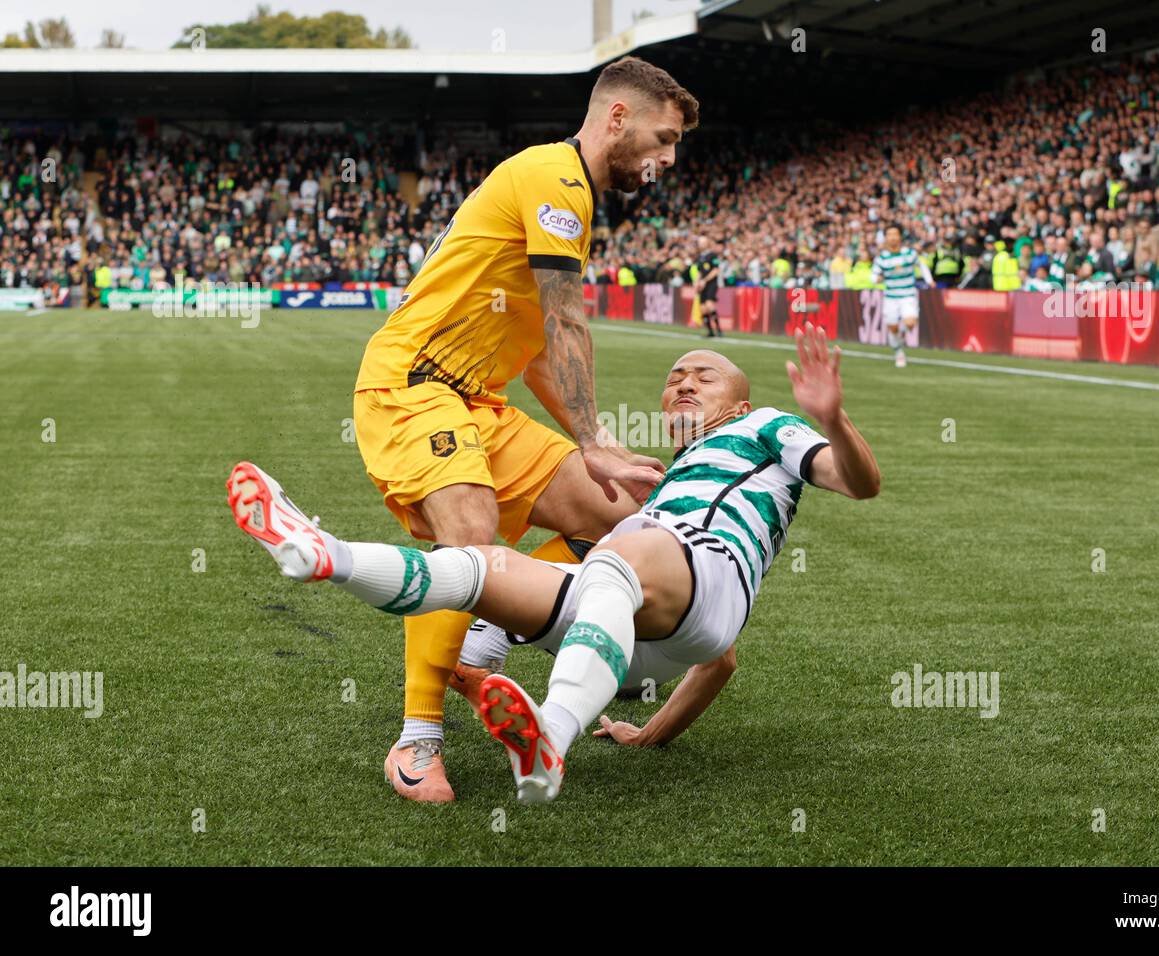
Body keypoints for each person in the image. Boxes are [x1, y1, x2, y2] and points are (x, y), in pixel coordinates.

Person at [227, 325, 881, 803]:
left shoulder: (764, 424)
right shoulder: (677, 475)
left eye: (702, 377)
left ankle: (551, 734)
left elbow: (858, 484)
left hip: (698, 575)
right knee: (477, 569)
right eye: (675, 376)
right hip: (647, 634)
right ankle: (322, 554)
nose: (683, 382)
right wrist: (650, 735)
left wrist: (832, 419)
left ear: (736, 403)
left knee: (628, 535)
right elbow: (720, 660)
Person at [329, 56, 696, 803]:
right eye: (663, 138)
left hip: (480, 403)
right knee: (468, 537)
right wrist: (592, 439)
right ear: (617, 118)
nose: (668, 159)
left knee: (625, 520)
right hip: (414, 384)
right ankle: (416, 739)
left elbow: (534, 361)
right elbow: (566, 319)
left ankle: (482, 648)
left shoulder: (574, 202)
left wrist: (600, 454)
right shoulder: (555, 179)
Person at [872, 224, 933, 368]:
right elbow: (873, 276)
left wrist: (929, 280)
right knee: (892, 327)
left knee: (911, 323)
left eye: (895, 234)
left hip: (908, 295)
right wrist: (877, 279)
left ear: (900, 237)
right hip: (891, 297)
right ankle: (899, 351)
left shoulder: (909, 254)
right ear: (886, 238)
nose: (892, 237)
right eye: (889, 235)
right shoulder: (882, 258)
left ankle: (899, 338)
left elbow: (922, 266)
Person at [695, 238, 722, 337]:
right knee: (703, 308)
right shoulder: (700, 257)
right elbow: (699, 272)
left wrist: (704, 281)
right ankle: (710, 331)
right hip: (702, 285)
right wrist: (697, 283)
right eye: (700, 243)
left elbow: (716, 270)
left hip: (711, 284)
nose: (700, 244)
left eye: (702, 242)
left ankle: (719, 330)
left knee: (710, 305)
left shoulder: (712, 255)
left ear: (707, 243)